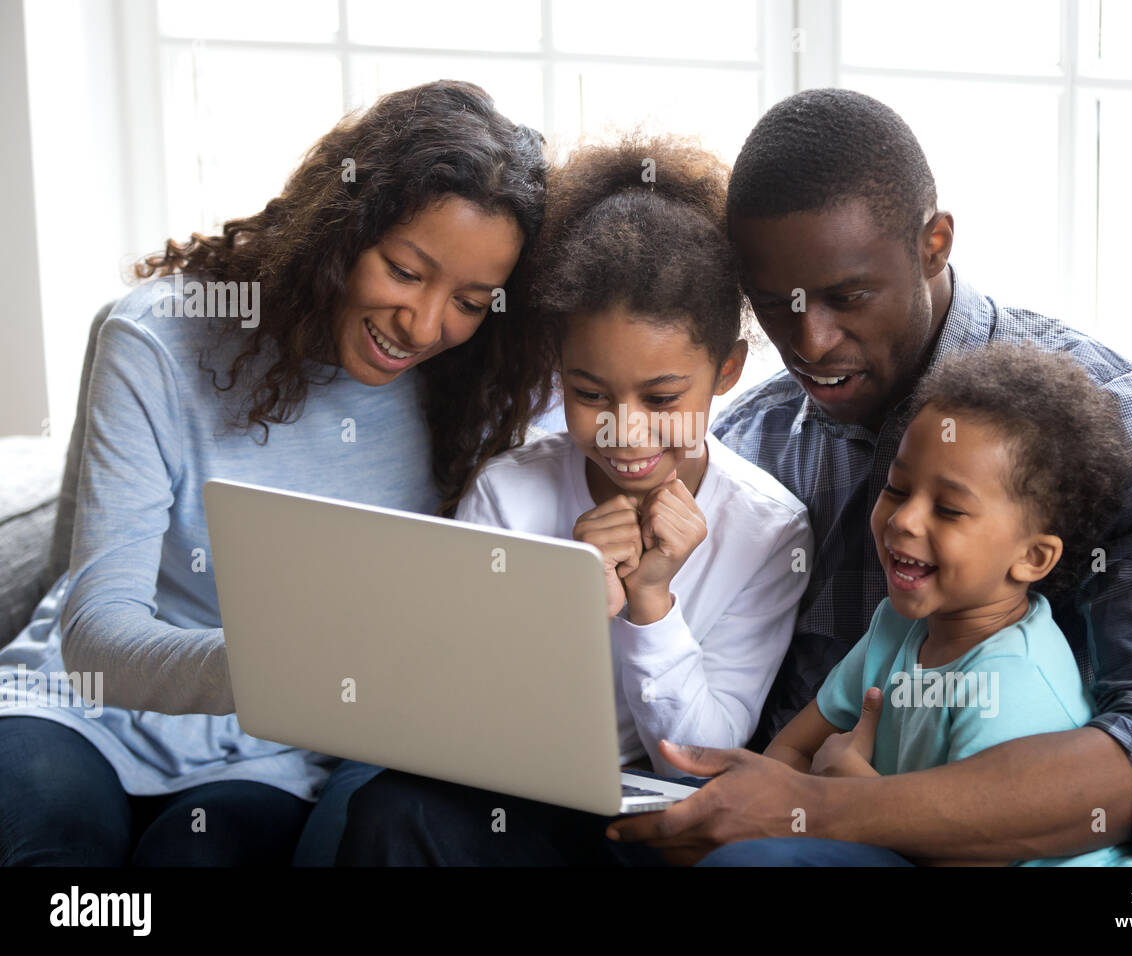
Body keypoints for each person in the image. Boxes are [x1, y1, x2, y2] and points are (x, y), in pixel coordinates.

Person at [606, 88, 1132, 866]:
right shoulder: (751, 439)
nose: (811, 343)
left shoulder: (1113, 422)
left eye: (849, 297)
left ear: (934, 244)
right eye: (777, 306)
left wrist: (819, 809)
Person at [0, 80, 550, 866]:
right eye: (403, 270)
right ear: (339, 233)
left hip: (270, 749)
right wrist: (292, 667)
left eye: (469, 299)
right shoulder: (160, 339)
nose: (425, 326)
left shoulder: (477, 387)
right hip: (79, 708)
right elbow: (95, 643)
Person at [335, 134, 813, 866]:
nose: (626, 429)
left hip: (644, 810)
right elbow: (455, 713)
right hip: (510, 798)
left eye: (661, 398)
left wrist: (651, 603)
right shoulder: (510, 492)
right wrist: (565, 606)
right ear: (559, 371)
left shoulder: (769, 531)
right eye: (589, 394)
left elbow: (700, 754)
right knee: (394, 812)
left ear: (726, 372)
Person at [745, 342, 1132, 866]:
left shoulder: (1012, 679)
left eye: (948, 508)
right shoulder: (895, 627)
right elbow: (789, 751)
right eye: (898, 489)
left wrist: (849, 794)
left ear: (1033, 557)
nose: (903, 520)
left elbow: (966, 853)